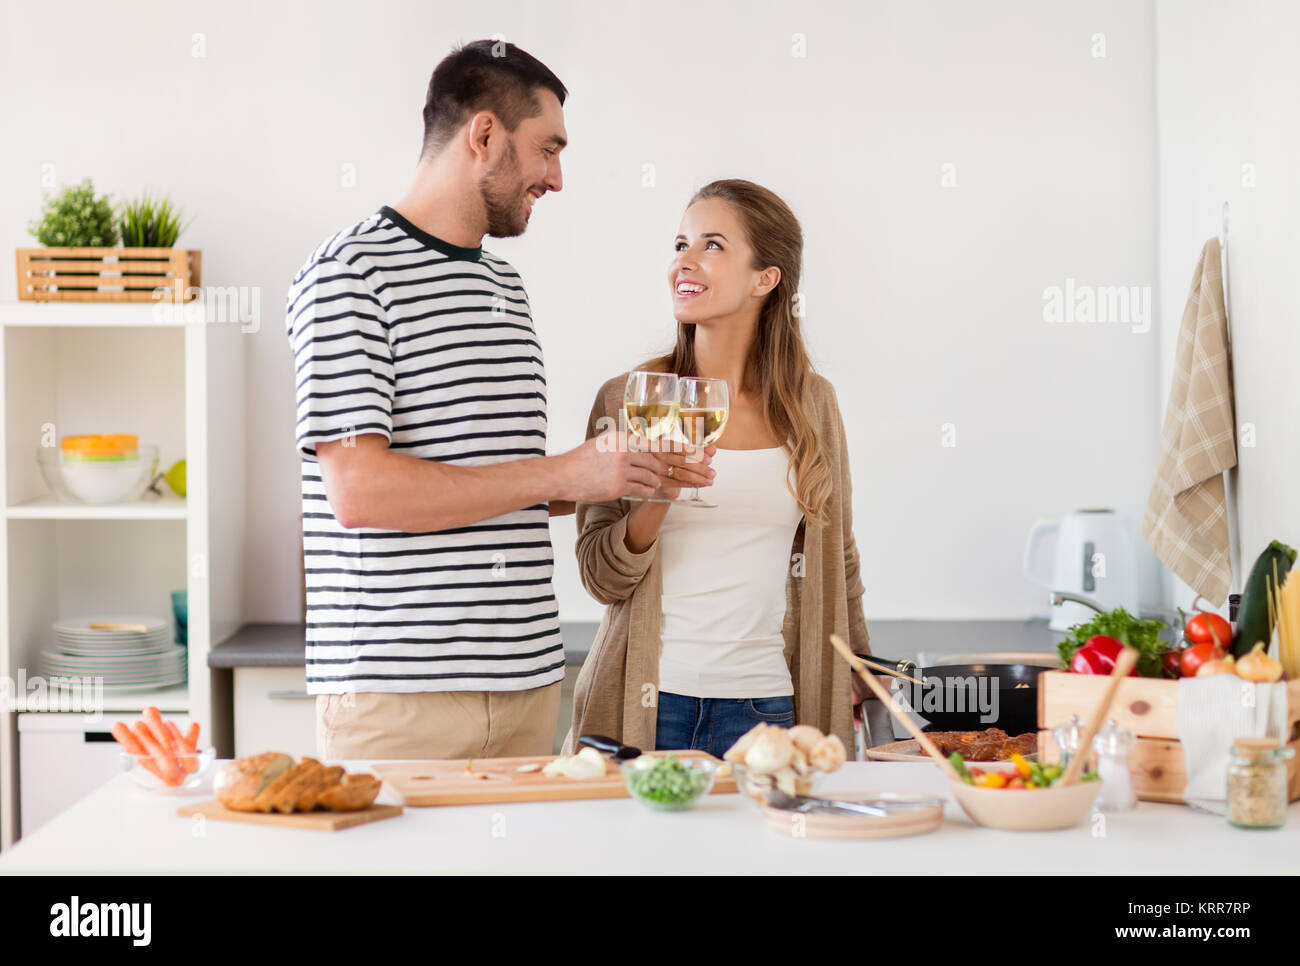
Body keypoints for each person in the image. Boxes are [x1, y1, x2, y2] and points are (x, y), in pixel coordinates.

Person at [286, 41, 691, 761]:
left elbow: (504, 485)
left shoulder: (503, 288)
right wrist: (568, 472)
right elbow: (361, 492)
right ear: (483, 135)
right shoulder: (349, 273)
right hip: (400, 698)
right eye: (548, 149)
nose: (556, 178)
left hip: (529, 685)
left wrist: (623, 475)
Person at [565, 179, 873, 759]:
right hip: (650, 703)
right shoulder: (629, 400)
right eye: (680, 243)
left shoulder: (813, 407)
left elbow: (841, 552)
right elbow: (600, 578)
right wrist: (659, 496)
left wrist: (859, 664)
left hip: (768, 711)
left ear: (766, 278)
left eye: (712, 245)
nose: (684, 260)